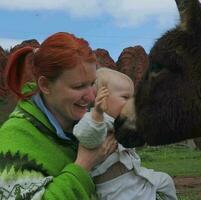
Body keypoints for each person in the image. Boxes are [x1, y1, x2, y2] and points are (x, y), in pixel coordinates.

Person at [0, 32, 117, 199]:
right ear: (45, 85)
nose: (91, 96)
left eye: (92, 83)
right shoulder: (13, 141)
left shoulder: (86, 122)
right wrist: (84, 164)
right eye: (78, 86)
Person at [73, 67, 178, 200]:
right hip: (115, 188)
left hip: (135, 175)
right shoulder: (92, 119)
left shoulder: (122, 122)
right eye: (125, 97)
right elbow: (87, 138)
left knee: (166, 180)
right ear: (101, 97)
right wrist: (98, 114)